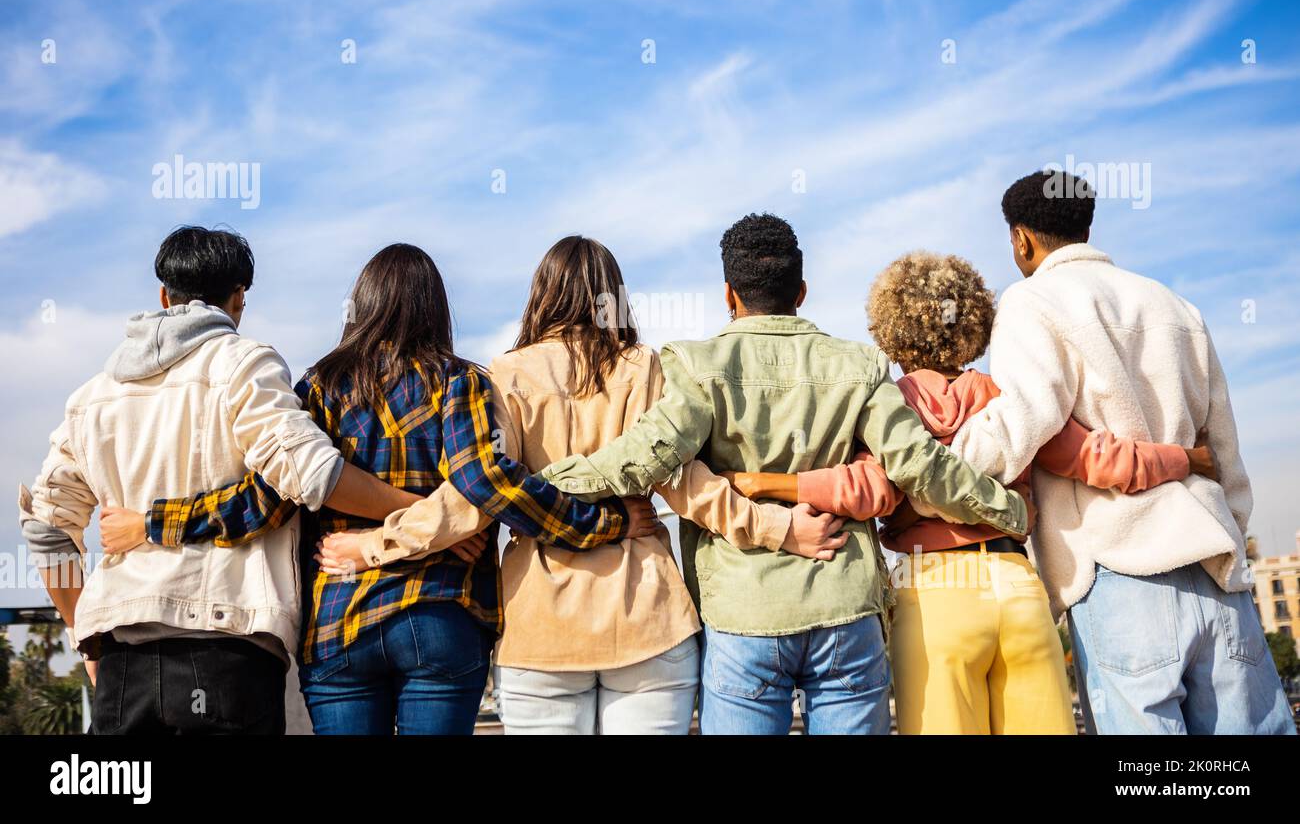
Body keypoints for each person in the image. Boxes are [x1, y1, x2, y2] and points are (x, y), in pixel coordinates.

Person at [108, 242, 658, 735]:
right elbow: (484, 480)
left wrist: (155, 522)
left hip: (340, 621)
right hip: (441, 612)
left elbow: (271, 499)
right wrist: (599, 523)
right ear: (436, 308)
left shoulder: (319, 386)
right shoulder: (459, 381)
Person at [319, 236, 845, 734]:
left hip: (540, 631)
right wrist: (778, 529)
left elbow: (477, 492)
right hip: (648, 621)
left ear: (541, 295)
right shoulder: (646, 369)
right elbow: (685, 481)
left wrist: (375, 545)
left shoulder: (506, 374)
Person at [537, 214, 1031, 735]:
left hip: (745, 614)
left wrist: (542, 481)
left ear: (729, 294)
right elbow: (919, 465)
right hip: (846, 608)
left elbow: (644, 456)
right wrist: (1011, 510)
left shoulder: (697, 365)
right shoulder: (859, 365)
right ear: (802, 290)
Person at [726, 250, 1217, 734]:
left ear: (890, 331)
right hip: (1018, 585)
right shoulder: (1007, 396)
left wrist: (765, 483)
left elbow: (867, 491)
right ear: (974, 323)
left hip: (933, 593)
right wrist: (1185, 458)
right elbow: (1097, 460)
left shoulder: (890, 403)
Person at [19, 226, 424, 734]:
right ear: (238, 299)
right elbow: (311, 473)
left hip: (123, 652)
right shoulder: (244, 365)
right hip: (227, 648)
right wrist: (419, 510)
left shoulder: (91, 397)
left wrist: (83, 630)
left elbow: (45, 528)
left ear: (164, 296)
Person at [947, 171, 1294, 735]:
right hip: (1214, 561)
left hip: (1119, 565)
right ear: (1087, 226)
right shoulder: (1177, 306)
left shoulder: (1032, 301)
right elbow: (1224, 451)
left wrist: (940, 460)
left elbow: (1023, 422)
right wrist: (1231, 537)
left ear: (1020, 240)